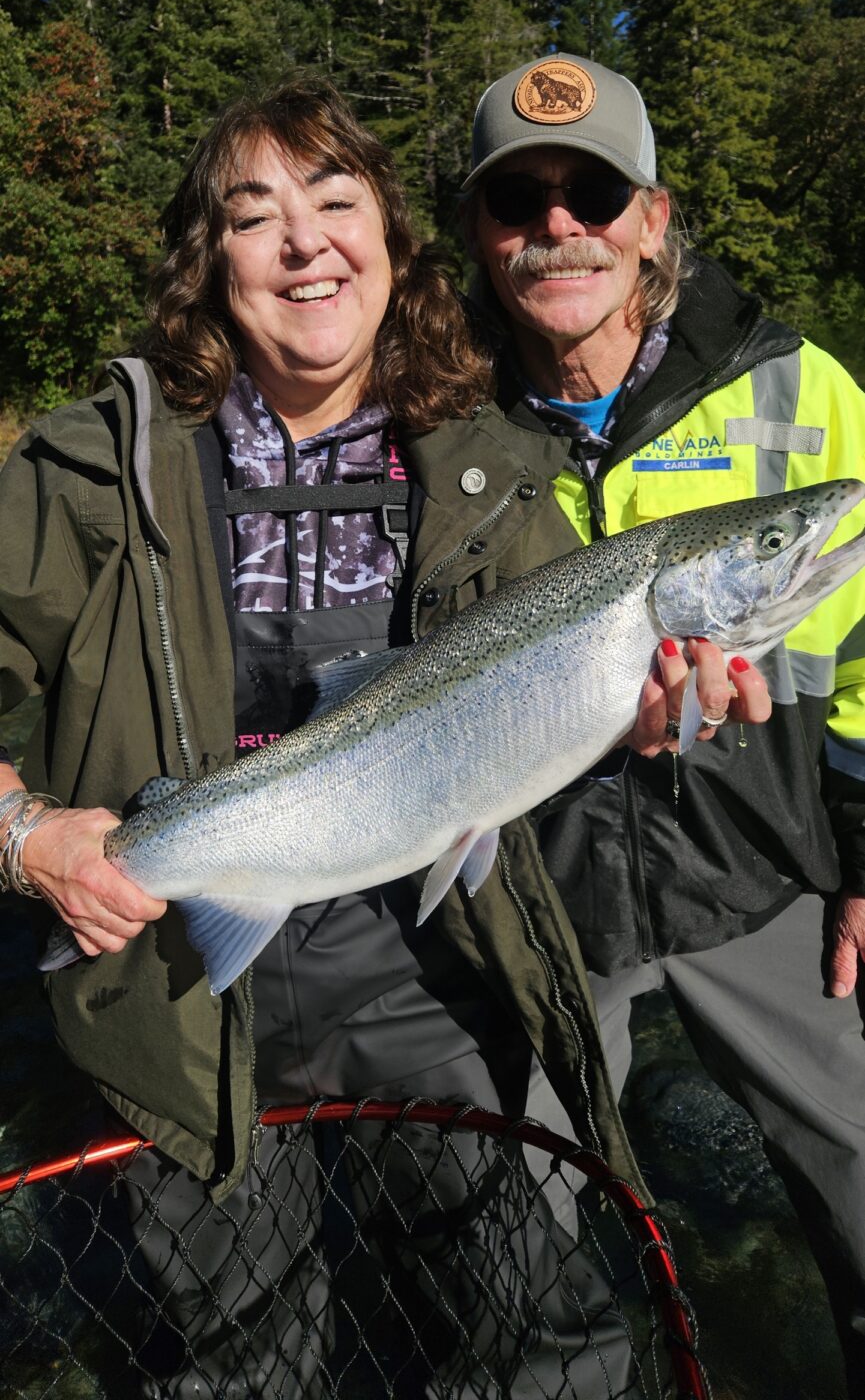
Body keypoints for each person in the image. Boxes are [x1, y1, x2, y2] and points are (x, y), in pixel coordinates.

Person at [0, 73, 762, 1398]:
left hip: (433, 976)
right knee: (234, 1363)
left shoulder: (488, 467)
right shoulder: (82, 473)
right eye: (256, 213)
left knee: (534, 1344)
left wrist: (642, 725)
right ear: (207, 259)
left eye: (336, 200)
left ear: (391, 247)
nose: (305, 241)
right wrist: (24, 837)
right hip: (173, 984)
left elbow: (567, 735)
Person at [459, 51, 865, 1396]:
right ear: (479, 232)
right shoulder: (426, 415)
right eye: (520, 200)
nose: (558, 225)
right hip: (538, 900)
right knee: (508, 1236)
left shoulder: (796, 389)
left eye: (594, 192)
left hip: (760, 879)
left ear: (653, 216)